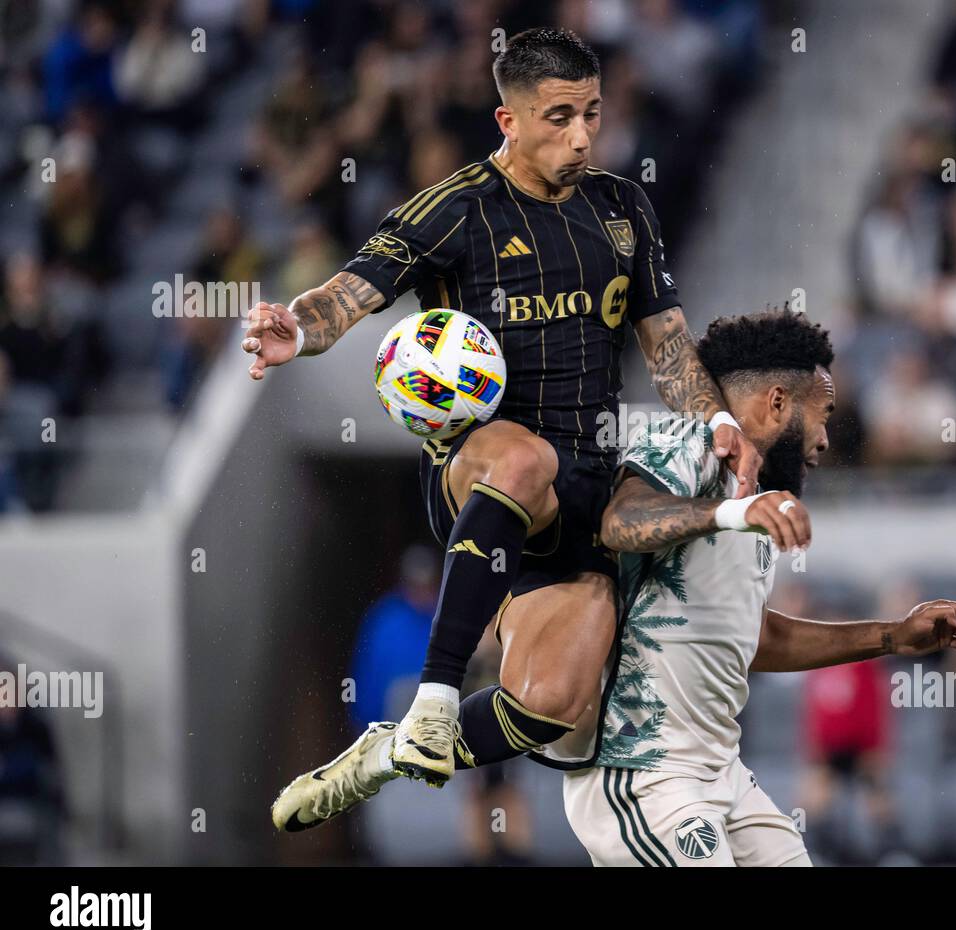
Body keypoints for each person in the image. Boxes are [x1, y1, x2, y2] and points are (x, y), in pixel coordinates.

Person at [251, 27, 760, 809]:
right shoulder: (455, 210)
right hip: (481, 466)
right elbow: (350, 289)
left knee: (555, 706)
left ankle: (386, 756)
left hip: (586, 484)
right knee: (526, 460)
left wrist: (718, 425)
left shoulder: (623, 209)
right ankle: (430, 699)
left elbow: (668, 347)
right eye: (559, 116)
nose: (583, 134)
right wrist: (302, 326)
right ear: (508, 121)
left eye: (592, 112)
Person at [563, 307, 956, 865]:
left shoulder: (760, 502)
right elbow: (622, 520)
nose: (826, 438)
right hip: (644, 772)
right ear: (777, 402)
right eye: (822, 414)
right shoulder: (692, 442)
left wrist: (892, 637)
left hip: (720, 772)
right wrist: (734, 512)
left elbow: (755, 639)